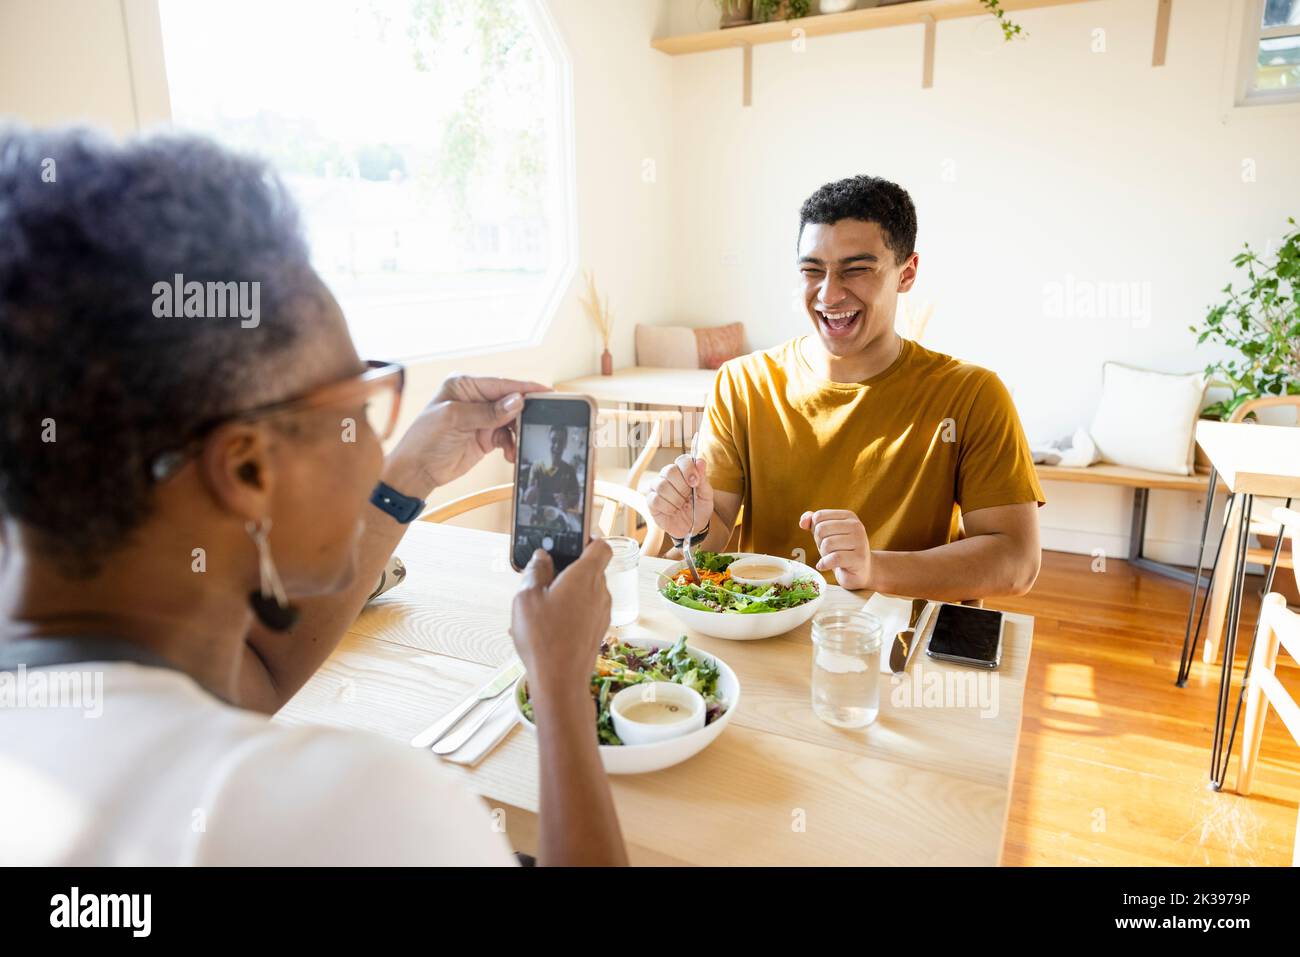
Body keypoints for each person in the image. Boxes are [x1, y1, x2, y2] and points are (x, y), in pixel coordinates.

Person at [0, 125, 626, 866]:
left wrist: (410, 477)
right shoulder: (349, 813)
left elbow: (253, 677)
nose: (374, 444)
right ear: (248, 470)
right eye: (358, 406)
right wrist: (559, 688)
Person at [648, 175, 1044, 602]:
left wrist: (873, 567)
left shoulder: (972, 394)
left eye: (856, 270)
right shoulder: (742, 383)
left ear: (906, 273)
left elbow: (1017, 562)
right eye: (812, 270)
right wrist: (696, 526)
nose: (829, 294)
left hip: (897, 648)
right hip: (767, 632)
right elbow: (715, 538)